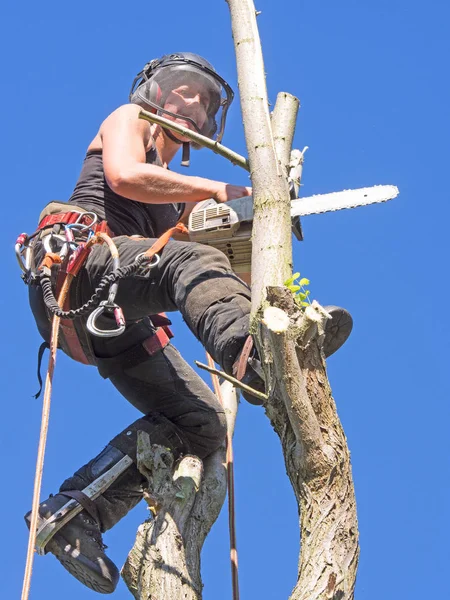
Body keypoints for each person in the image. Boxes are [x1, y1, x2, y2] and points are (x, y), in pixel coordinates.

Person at [25, 52, 353, 593]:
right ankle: (251, 352)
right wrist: (215, 190)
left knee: (203, 425)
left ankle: (75, 514)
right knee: (191, 262)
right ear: (155, 91)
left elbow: (210, 270)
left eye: (205, 103)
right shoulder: (128, 122)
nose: (193, 105)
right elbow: (126, 176)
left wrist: (261, 224)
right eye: (184, 92)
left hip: (115, 317)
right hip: (79, 272)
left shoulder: (176, 205)